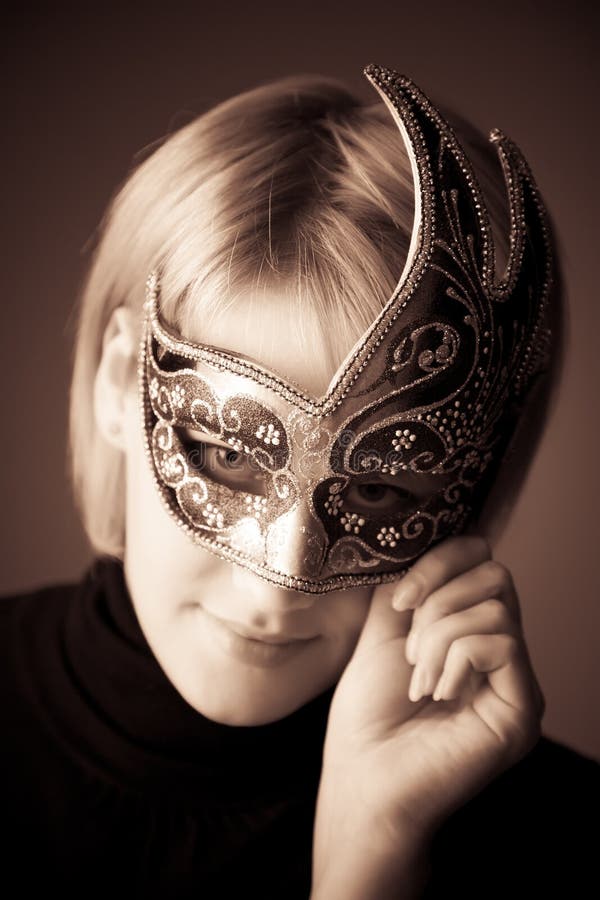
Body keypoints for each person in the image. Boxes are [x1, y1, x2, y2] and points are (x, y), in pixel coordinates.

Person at [3, 63, 598, 899]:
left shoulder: (557, 842)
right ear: (116, 383)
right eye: (232, 454)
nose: (279, 583)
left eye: (381, 488)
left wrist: (375, 854)